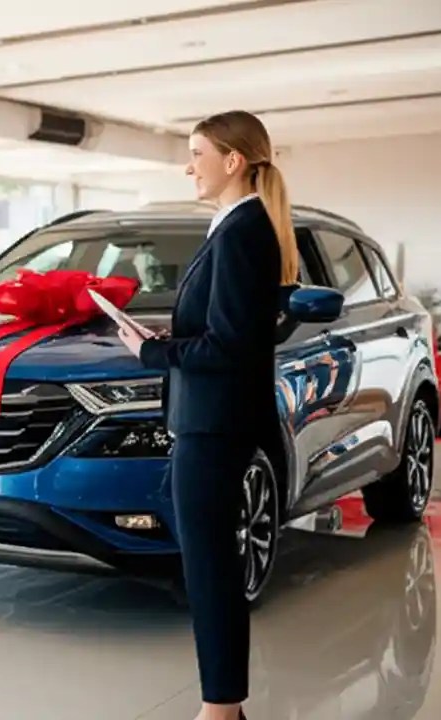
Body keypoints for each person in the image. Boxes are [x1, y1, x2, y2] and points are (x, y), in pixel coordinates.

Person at [117, 111, 294, 720]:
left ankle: (221, 709)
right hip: (208, 420)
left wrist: (151, 350)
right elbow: (221, 329)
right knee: (207, 565)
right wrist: (169, 334)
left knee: (212, 569)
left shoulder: (244, 231)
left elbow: (230, 346)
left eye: (196, 153)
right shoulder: (233, 226)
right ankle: (224, 706)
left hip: (216, 424)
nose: (187, 165)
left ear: (232, 161)